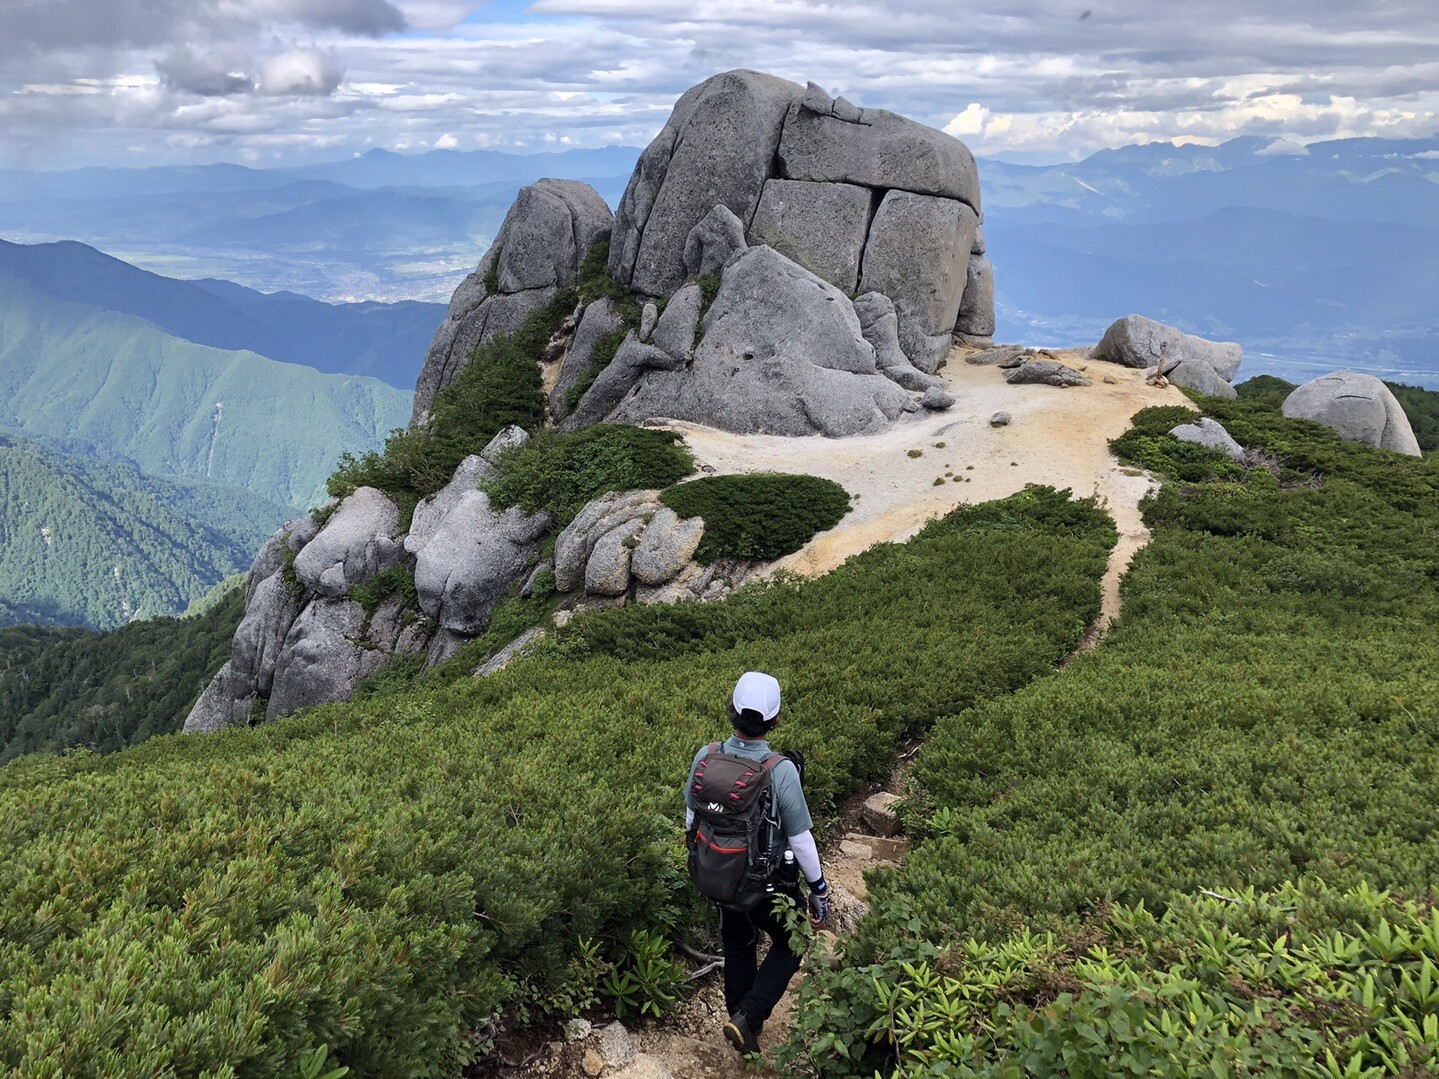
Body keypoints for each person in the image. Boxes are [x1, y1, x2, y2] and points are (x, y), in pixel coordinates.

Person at [683, 671, 829, 1056]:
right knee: (791, 943)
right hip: (767, 887)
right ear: (775, 719)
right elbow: (800, 840)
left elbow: (691, 817)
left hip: (720, 877)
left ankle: (741, 1022)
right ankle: (748, 1018)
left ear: (731, 709)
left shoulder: (706, 755)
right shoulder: (779, 771)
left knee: (739, 944)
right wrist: (818, 891)